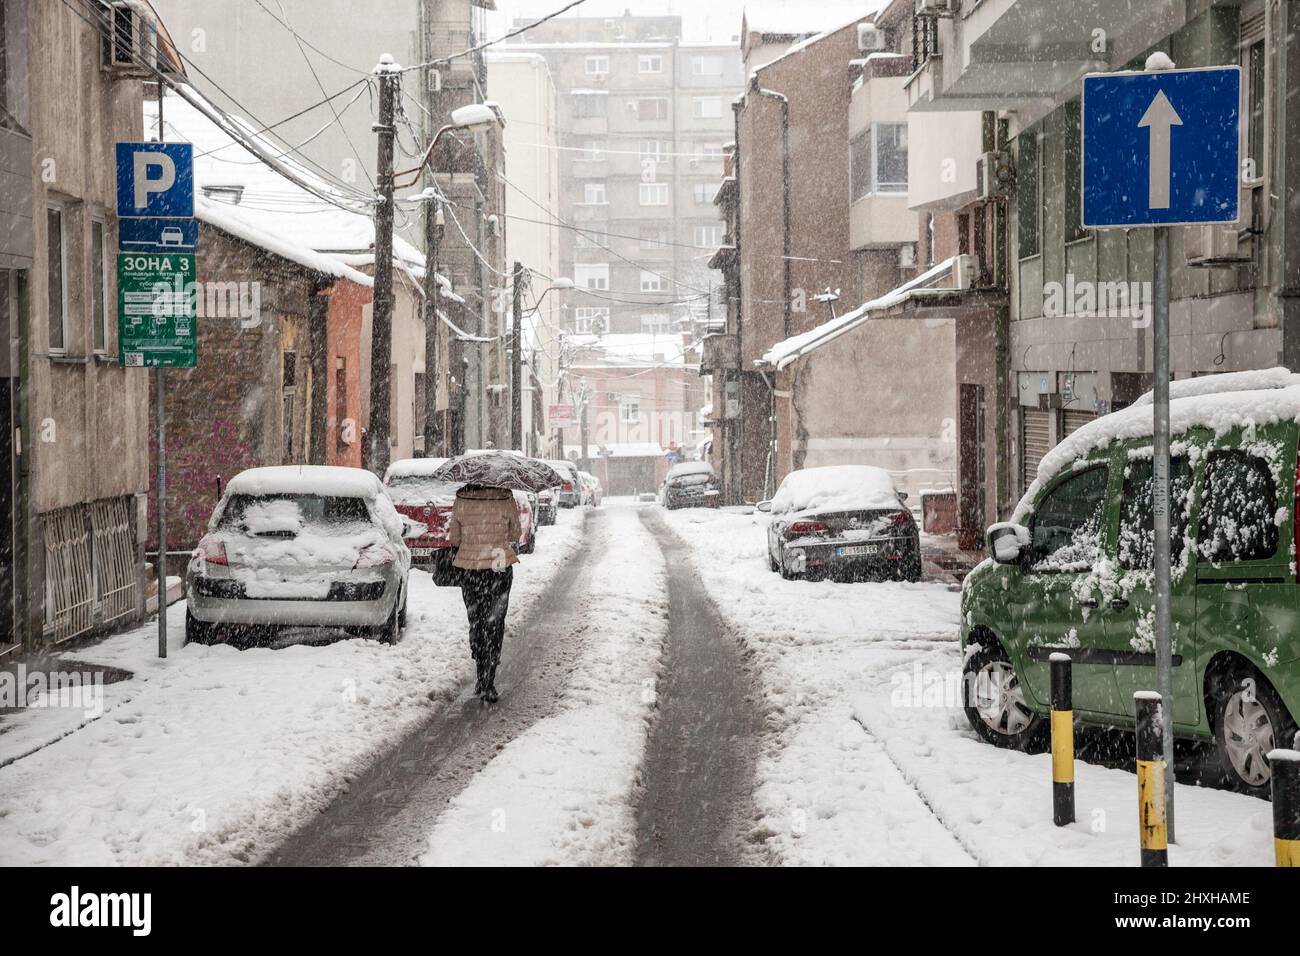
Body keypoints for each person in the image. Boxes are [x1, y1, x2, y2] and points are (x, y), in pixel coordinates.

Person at [447, 483, 521, 702]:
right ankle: (490, 678)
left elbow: (455, 539)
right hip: (499, 565)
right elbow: (515, 533)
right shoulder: (505, 497)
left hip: (471, 569)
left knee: (476, 619)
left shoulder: (462, 497)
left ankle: (480, 670)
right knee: (495, 621)